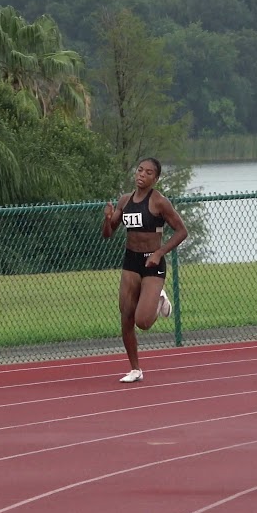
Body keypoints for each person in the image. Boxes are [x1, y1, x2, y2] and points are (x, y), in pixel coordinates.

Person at [101, 158, 188, 383]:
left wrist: (159, 253)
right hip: (131, 262)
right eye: (140, 170)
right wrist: (108, 219)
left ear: (155, 178)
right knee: (126, 316)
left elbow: (181, 231)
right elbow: (108, 234)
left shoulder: (159, 202)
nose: (142, 174)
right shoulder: (125, 200)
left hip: (152, 262)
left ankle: (159, 298)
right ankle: (135, 369)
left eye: (148, 172)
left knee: (143, 322)